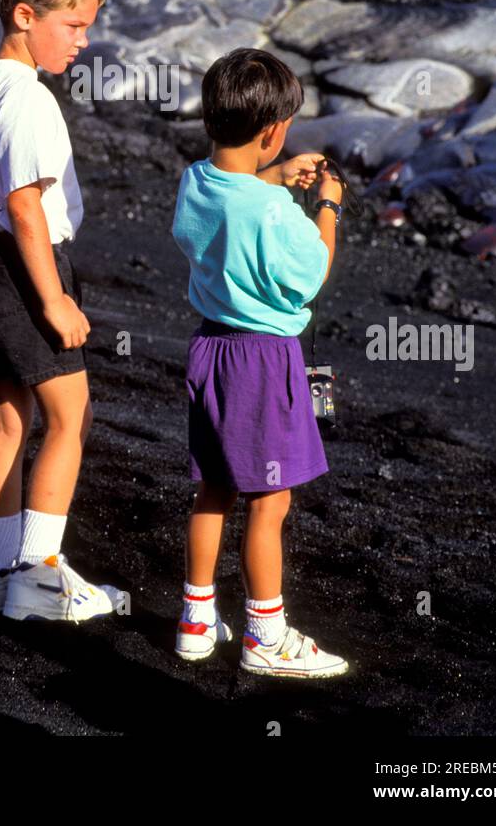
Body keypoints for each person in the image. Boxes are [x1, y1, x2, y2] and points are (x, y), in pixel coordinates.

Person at [0, 0, 125, 622]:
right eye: (73, 26)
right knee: (70, 417)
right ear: (25, 15)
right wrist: (53, 298)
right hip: (26, 265)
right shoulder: (28, 99)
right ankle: (38, 579)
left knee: (8, 421)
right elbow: (23, 203)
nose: (83, 41)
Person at [170, 47, 349, 677]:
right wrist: (326, 206)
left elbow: (227, 200)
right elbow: (310, 277)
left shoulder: (196, 181)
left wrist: (271, 176)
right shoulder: (275, 212)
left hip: (210, 348)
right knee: (271, 500)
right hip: (266, 359)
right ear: (274, 131)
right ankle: (265, 634)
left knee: (213, 488)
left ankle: (196, 619)